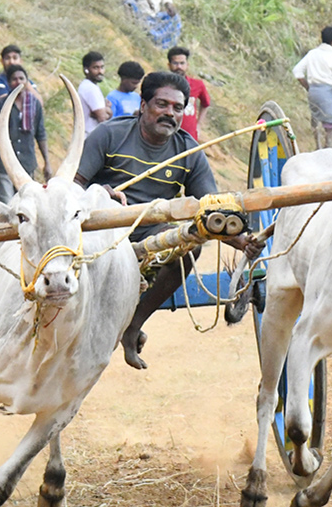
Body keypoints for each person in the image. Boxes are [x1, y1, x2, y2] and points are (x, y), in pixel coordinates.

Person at [75, 71, 253, 369]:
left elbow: (210, 212)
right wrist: (97, 191)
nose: (170, 113)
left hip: (153, 237)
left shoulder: (189, 152)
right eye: (162, 104)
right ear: (142, 105)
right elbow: (73, 185)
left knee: (189, 244)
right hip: (103, 231)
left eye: (177, 108)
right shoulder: (109, 134)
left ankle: (132, 326)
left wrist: (242, 240)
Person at [0, 64, 50, 203]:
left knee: (26, 203)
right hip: (5, 164)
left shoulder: (34, 105)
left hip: (27, 164)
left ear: (27, 82)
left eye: (22, 78)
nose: (18, 82)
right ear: (9, 83)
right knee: (8, 203)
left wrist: (47, 163)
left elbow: (41, 134)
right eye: (14, 79)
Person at [293, 27, 332, 149]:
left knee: (317, 122)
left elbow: (297, 72)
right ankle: (327, 150)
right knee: (331, 127)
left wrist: (309, 87)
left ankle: (317, 147)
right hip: (328, 94)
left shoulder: (313, 53)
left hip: (313, 92)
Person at [166, 45, 210, 141]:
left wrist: (199, 125)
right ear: (169, 65)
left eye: (182, 63)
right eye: (175, 63)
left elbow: (206, 104)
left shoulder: (197, 85)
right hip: (167, 135)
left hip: (188, 137)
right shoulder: (162, 85)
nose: (179, 67)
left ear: (187, 65)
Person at [78, 50, 111, 133]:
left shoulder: (91, 86)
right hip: (90, 136)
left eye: (102, 67)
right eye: (96, 68)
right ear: (86, 70)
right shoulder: (90, 88)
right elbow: (103, 118)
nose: (100, 71)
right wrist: (107, 109)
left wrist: (103, 110)